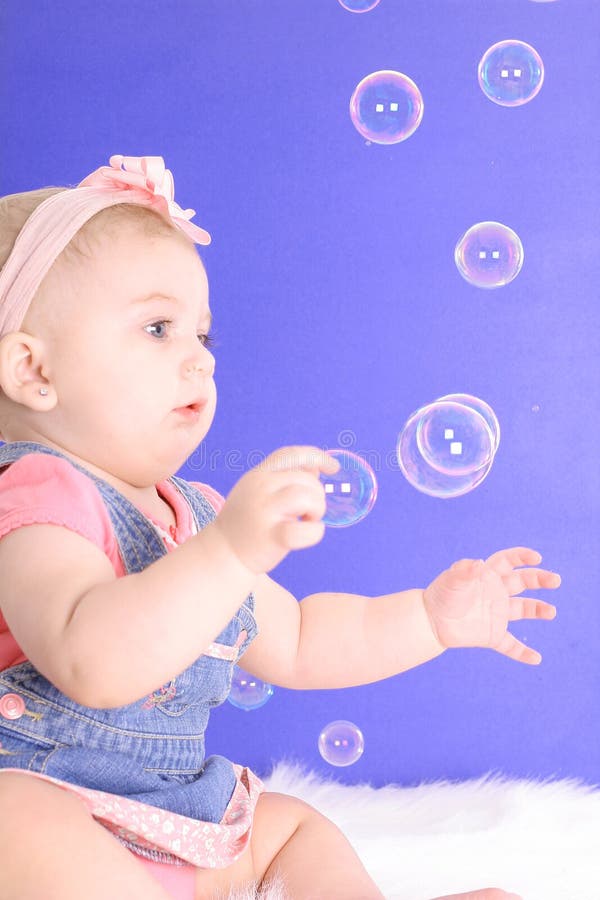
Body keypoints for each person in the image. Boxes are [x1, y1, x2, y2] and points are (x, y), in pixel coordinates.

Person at [0, 155, 559, 900]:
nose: (198, 358)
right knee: (14, 820)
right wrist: (226, 552)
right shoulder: (39, 494)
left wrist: (427, 619)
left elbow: (299, 638)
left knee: (291, 825)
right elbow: (88, 659)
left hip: (171, 816)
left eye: (203, 335)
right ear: (34, 372)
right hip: (50, 801)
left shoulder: (194, 513)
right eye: (158, 327)